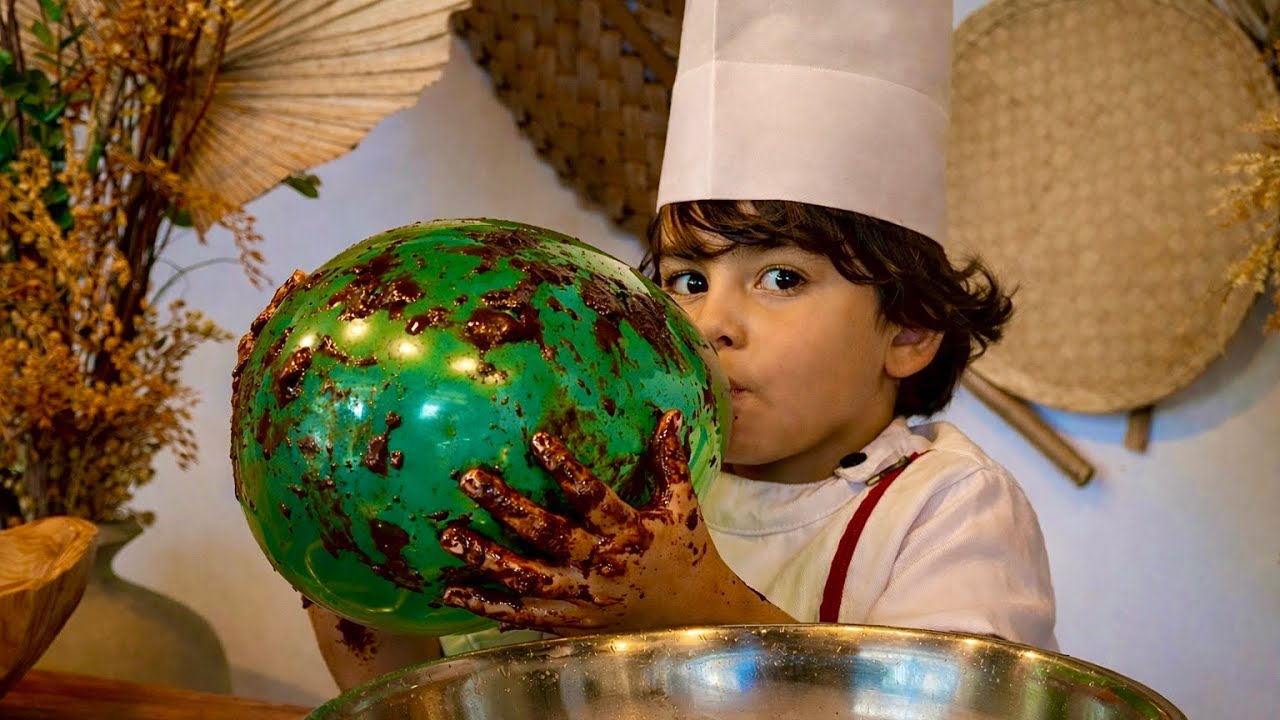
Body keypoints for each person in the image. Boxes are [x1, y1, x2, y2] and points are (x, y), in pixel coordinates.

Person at [307, 0, 1056, 691]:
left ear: (910, 330)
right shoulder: (614, 481)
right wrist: (348, 553)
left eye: (782, 277)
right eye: (688, 280)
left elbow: (954, 709)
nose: (709, 324)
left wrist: (688, 603)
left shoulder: (947, 508)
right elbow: (439, 697)